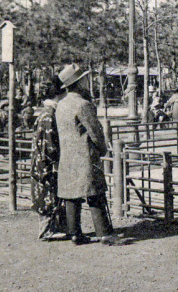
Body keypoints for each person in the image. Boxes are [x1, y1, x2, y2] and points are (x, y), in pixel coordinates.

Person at [53, 63, 126, 246]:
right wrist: (103, 149)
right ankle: (105, 233)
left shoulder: (61, 105)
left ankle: (74, 233)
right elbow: (95, 131)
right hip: (85, 156)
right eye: (85, 78)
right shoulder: (83, 105)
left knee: (71, 195)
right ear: (79, 82)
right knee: (95, 193)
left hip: (67, 157)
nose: (88, 81)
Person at [31, 80, 66, 240]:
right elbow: (50, 145)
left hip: (41, 162)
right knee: (49, 196)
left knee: (48, 196)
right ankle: (47, 230)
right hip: (47, 163)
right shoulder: (50, 116)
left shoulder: (45, 113)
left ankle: (52, 228)